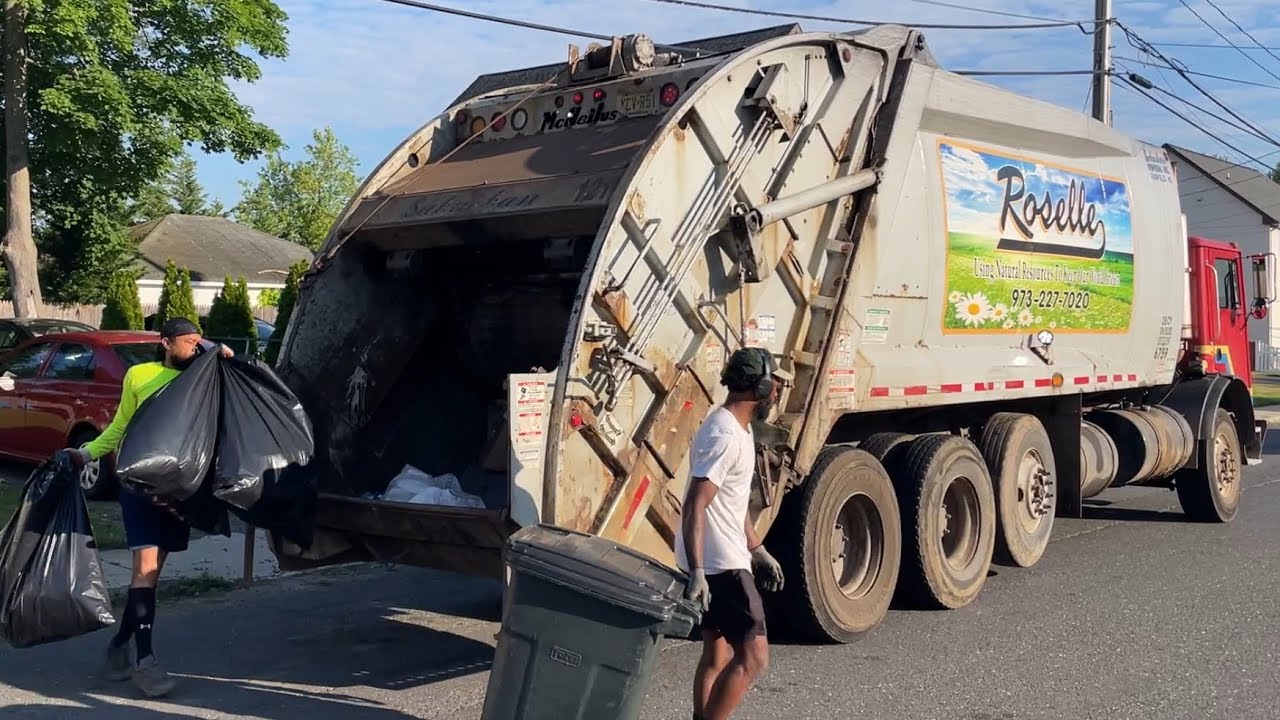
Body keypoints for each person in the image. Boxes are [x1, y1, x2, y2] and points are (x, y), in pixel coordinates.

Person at [65, 317, 232, 698]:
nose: (194, 347)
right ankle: (145, 661)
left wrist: (218, 353)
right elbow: (120, 426)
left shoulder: (203, 377)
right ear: (165, 343)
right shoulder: (139, 376)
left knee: (151, 577)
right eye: (187, 341)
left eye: (198, 341)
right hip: (140, 488)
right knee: (145, 569)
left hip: (179, 492)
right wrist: (86, 453)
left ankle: (119, 644)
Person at [675, 346, 786, 720]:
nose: (778, 392)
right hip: (719, 564)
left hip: (717, 556)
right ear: (761, 387)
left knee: (718, 653)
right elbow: (696, 503)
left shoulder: (735, 427)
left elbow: (730, 502)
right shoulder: (725, 435)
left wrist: (758, 548)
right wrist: (698, 571)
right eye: (775, 384)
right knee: (754, 658)